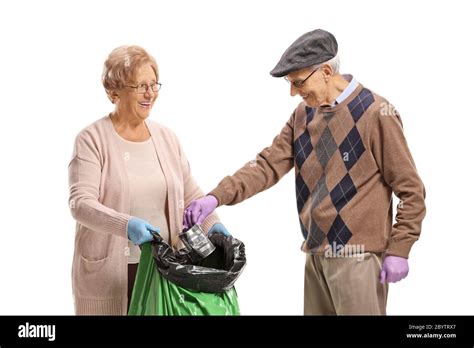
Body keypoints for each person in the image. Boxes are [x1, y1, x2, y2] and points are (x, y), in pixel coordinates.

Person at [184, 29, 426, 315]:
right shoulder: (303, 115)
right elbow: (266, 165)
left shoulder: (376, 113)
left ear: (325, 71)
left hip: (358, 258)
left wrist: (400, 248)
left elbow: (411, 190)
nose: (293, 92)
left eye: (297, 82)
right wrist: (215, 197)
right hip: (315, 255)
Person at [68, 45, 229, 315]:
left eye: (154, 85)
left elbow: (190, 195)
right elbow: (80, 204)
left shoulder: (166, 138)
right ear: (114, 91)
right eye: (140, 85)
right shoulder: (92, 140)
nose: (150, 93)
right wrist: (125, 225)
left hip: (164, 274)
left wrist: (214, 224)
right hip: (111, 278)